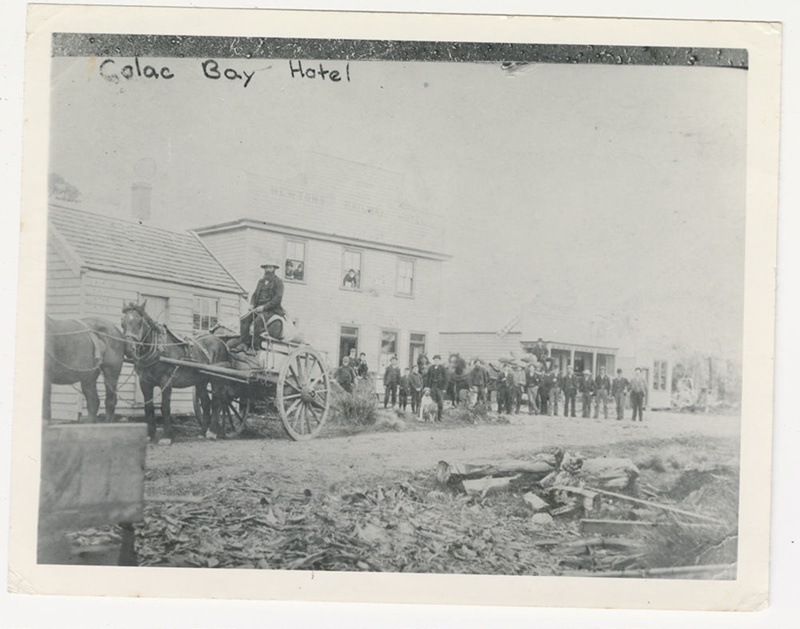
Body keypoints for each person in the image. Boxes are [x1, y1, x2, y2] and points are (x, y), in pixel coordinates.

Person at [230, 258, 285, 350]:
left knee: (257, 323)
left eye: (270, 268)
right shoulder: (261, 282)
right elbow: (255, 295)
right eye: (266, 268)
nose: (268, 270)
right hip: (257, 308)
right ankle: (244, 343)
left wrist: (264, 307)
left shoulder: (278, 282)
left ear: (274, 269)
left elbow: (277, 299)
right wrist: (252, 304)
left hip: (271, 310)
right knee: (244, 320)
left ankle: (255, 348)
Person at [424, 354, 447, 421]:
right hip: (432, 386)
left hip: (439, 387)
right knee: (432, 402)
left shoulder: (442, 368)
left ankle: (440, 417)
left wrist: (444, 388)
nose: (436, 361)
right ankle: (432, 417)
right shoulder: (431, 368)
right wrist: (427, 387)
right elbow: (427, 378)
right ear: (433, 361)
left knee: (440, 402)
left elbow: (446, 379)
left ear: (439, 361)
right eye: (435, 360)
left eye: (437, 360)